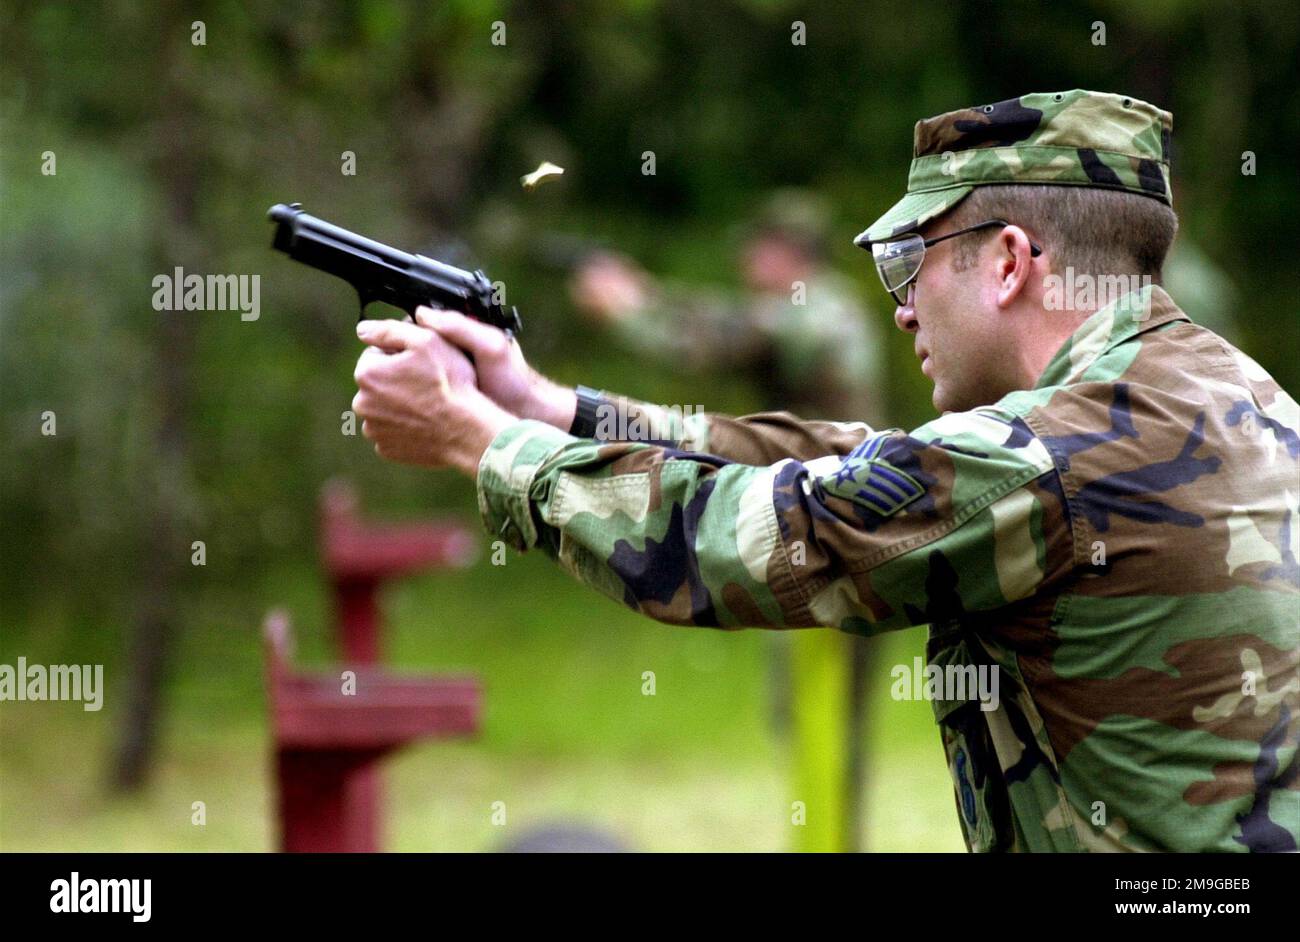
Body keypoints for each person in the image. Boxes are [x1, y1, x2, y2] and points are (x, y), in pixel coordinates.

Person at [350, 90, 1299, 852]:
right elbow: (863, 466)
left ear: (1010, 262)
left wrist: (477, 441)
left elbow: (733, 539)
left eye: (910, 260)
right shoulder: (1244, 400)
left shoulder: (1050, 456)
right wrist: (547, 407)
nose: (901, 306)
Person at [570, 191, 886, 851]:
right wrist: (648, 293)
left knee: (825, 718)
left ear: (789, 251)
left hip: (835, 541)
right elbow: (724, 317)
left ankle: (830, 843)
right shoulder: (814, 308)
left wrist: (628, 309)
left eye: (759, 246)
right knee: (810, 717)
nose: (746, 259)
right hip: (827, 533)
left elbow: (716, 341)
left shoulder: (815, 314)